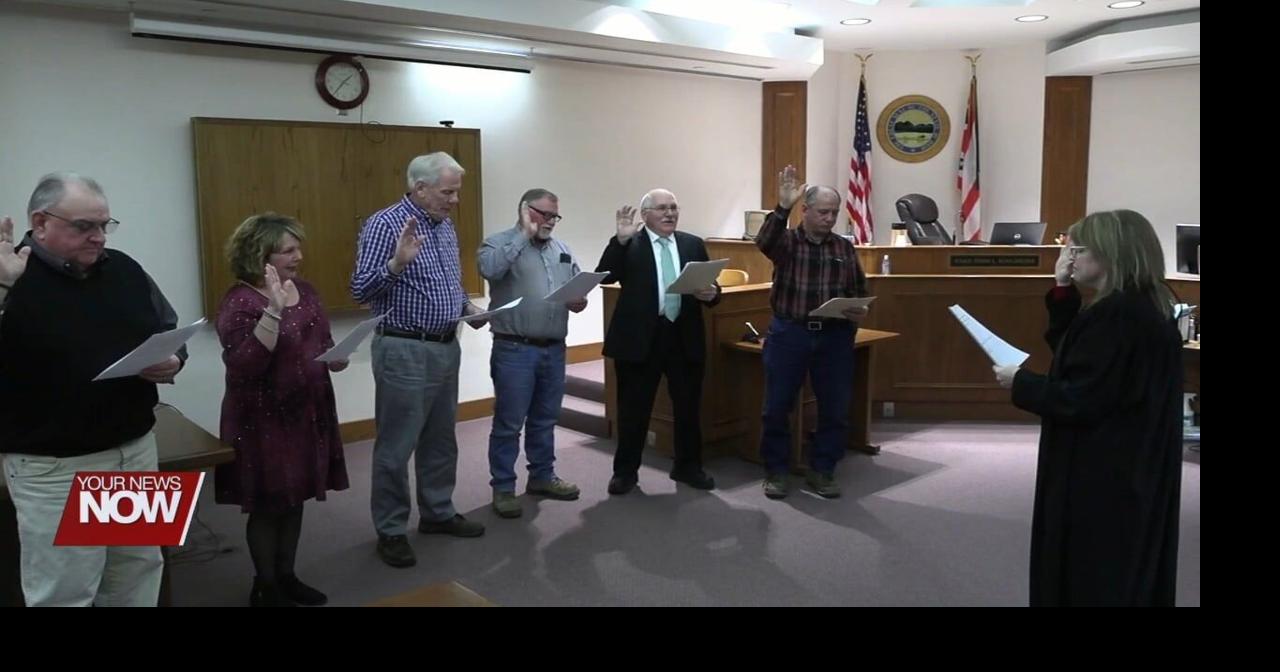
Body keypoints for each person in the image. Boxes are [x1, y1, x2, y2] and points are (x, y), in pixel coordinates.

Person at [0, 172, 184, 606]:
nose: (99, 237)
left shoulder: (124, 268)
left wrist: (174, 360)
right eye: (84, 226)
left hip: (133, 449)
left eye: (104, 225)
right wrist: (4, 285)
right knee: (67, 591)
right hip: (56, 466)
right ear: (40, 223)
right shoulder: (10, 276)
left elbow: (167, 328)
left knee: (137, 571)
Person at [993, 209, 1183, 607]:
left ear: (1112, 254)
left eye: (1079, 249)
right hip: (1130, 462)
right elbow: (1081, 358)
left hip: (1104, 469)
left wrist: (1021, 382)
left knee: (1093, 570)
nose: (1070, 257)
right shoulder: (1142, 306)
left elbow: (1080, 397)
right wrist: (1062, 290)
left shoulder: (1118, 316)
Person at [351, 151, 488, 568]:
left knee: (441, 438)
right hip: (404, 348)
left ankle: (437, 513)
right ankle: (391, 529)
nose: (454, 200)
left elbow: (448, 281)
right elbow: (360, 290)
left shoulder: (444, 225)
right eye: (448, 192)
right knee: (397, 444)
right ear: (420, 187)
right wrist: (395, 264)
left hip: (447, 345)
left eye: (457, 192)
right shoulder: (384, 223)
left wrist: (468, 309)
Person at [215, 213, 349, 606]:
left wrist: (335, 357)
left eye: (298, 248)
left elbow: (320, 340)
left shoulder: (304, 290)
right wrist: (272, 309)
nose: (298, 256)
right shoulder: (239, 301)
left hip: (307, 409)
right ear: (261, 256)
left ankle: (287, 576)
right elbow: (245, 365)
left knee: (296, 498)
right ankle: (266, 584)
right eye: (288, 250)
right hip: (262, 418)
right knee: (269, 503)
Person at [595, 188, 720, 495]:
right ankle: (625, 472)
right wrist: (619, 241)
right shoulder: (630, 244)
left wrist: (712, 293)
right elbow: (605, 276)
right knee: (633, 410)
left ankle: (688, 466)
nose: (669, 213)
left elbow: (711, 287)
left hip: (683, 337)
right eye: (662, 208)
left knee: (688, 407)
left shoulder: (692, 243)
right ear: (646, 214)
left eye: (674, 207)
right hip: (640, 340)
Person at [755, 165, 869, 500]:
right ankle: (776, 471)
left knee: (834, 407)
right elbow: (765, 242)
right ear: (805, 211)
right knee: (777, 406)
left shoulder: (843, 248)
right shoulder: (788, 242)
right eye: (823, 212)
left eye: (834, 213)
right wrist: (782, 207)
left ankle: (823, 470)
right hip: (790, 333)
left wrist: (857, 307)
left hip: (834, 336)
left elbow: (858, 288)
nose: (830, 219)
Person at [478, 189, 586, 518]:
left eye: (555, 216)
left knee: (545, 419)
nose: (551, 222)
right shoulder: (497, 244)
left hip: (553, 348)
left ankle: (541, 476)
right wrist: (523, 236)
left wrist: (579, 300)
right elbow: (490, 271)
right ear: (525, 210)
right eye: (545, 214)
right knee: (509, 423)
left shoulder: (562, 249)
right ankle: (504, 488)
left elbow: (577, 285)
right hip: (514, 348)